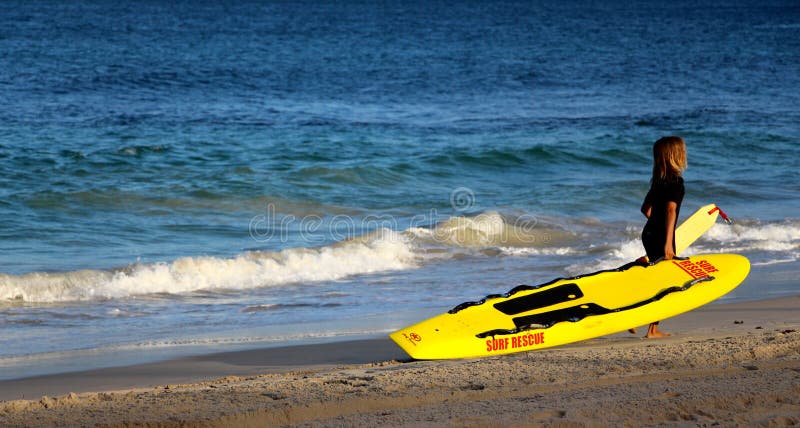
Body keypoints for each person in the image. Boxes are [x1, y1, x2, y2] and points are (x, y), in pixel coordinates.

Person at [631, 136, 687, 338]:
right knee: (664, 282)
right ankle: (652, 329)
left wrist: (655, 221)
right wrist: (668, 241)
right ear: (676, 155)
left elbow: (645, 209)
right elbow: (671, 211)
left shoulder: (658, 182)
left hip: (649, 232)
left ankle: (636, 317)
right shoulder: (676, 182)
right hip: (661, 236)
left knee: (656, 278)